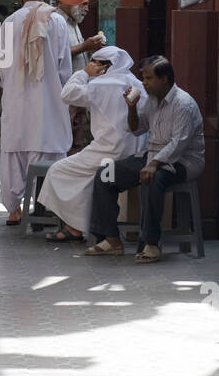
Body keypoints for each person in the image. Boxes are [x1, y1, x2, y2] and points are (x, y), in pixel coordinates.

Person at [85, 56, 205, 264]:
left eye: (149, 78)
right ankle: (110, 239)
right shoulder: (151, 101)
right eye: (144, 78)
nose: (145, 83)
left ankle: (151, 243)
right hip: (152, 157)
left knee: (154, 178)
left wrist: (153, 164)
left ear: (165, 79)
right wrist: (131, 107)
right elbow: (136, 128)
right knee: (105, 174)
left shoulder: (183, 104)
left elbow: (178, 144)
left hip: (183, 161)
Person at [37, 45, 145, 243]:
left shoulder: (101, 85)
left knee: (58, 171)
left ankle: (76, 227)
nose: (91, 65)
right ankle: (76, 226)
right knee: (85, 178)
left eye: (95, 62)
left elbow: (67, 94)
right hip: (133, 153)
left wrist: (83, 73)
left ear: (104, 67)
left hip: (108, 151)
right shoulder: (135, 82)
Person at [0, 0, 73, 225]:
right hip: (49, 102)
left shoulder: (9, 22)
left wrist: (11, 85)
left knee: (14, 153)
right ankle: (50, 207)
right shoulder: (58, 21)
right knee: (49, 148)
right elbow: (64, 67)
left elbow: (3, 65)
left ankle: (13, 210)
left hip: (16, 99)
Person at [56, 0, 106, 152]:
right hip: (65, 87)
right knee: (67, 128)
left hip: (79, 84)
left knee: (79, 126)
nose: (87, 9)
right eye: (83, 4)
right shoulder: (58, 21)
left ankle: (74, 157)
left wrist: (90, 48)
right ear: (72, 2)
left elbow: (75, 50)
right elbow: (56, 55)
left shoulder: (73, 22)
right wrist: (84, 46)